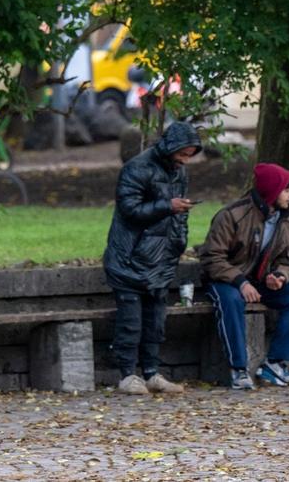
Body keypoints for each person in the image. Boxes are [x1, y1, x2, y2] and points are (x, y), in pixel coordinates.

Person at [102, 120, 202, 394]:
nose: (185, 160)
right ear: (171, 148)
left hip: (161, 257)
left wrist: (178, 240)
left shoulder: (179, 173)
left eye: (189, 155)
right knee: (131, 320)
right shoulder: (136, 168)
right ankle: (126, 374)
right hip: (130, 257)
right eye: (182, 154)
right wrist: (166, 206)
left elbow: (179, 213)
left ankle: (151, 372)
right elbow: (130, 209)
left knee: (155, 320)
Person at [200, 163, 289, 390]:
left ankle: (275, 363)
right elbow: (212, 258)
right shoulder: (232, 216)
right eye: (286, 189)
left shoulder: (286, 221)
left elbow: (287, 259)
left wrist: (279, 275)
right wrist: (241, 282)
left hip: (259, 281)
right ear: (272, 190)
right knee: (231, 300)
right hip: (226, 280)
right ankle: (238, 369)